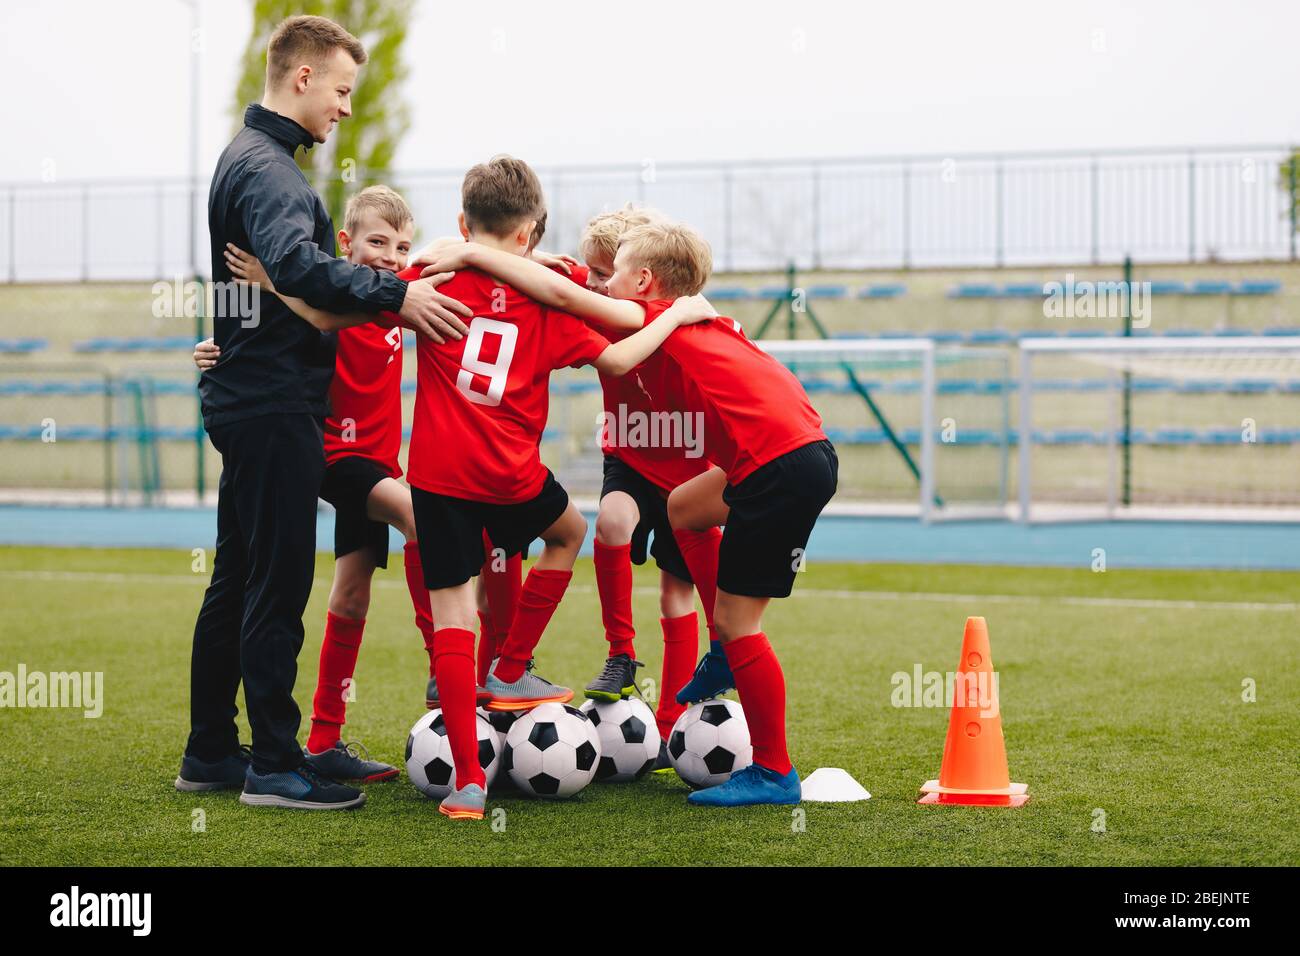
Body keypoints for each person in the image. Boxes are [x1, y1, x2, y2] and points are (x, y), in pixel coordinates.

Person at [417, 218, 838, 808]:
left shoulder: (653, 317)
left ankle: (774, 770)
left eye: (613, 272)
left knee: (743, 623)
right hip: (785, 455)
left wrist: (467, 250)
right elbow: (565, 280)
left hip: (780, 467)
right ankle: (720, 652)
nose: (602, 281)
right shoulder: (700, 317)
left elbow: (565, 296)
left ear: (644, 280)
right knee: (685, 507)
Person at [176, 14, 471, 812]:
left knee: (236, 581)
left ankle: (211, 751)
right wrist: (397, 294)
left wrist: (225, 349)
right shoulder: (269, 169)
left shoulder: (247, 158)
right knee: (273, 586)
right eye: (340, 88)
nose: (344, 106)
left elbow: (270, 284)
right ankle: (274, 764)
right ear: (302, 77)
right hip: (272, 406)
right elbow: (299, 265)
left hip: (250, 396)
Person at [396, 156, 715, 820]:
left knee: (456, 612)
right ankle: (513, 666)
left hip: (435, 474)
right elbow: (620, 348)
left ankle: (466, 784)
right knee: (568, 531)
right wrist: (679, 314)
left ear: (462, 222)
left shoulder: (431, 279)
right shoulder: (548, 301)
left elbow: (359, 305)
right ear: (532, 233)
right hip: (510, 475)